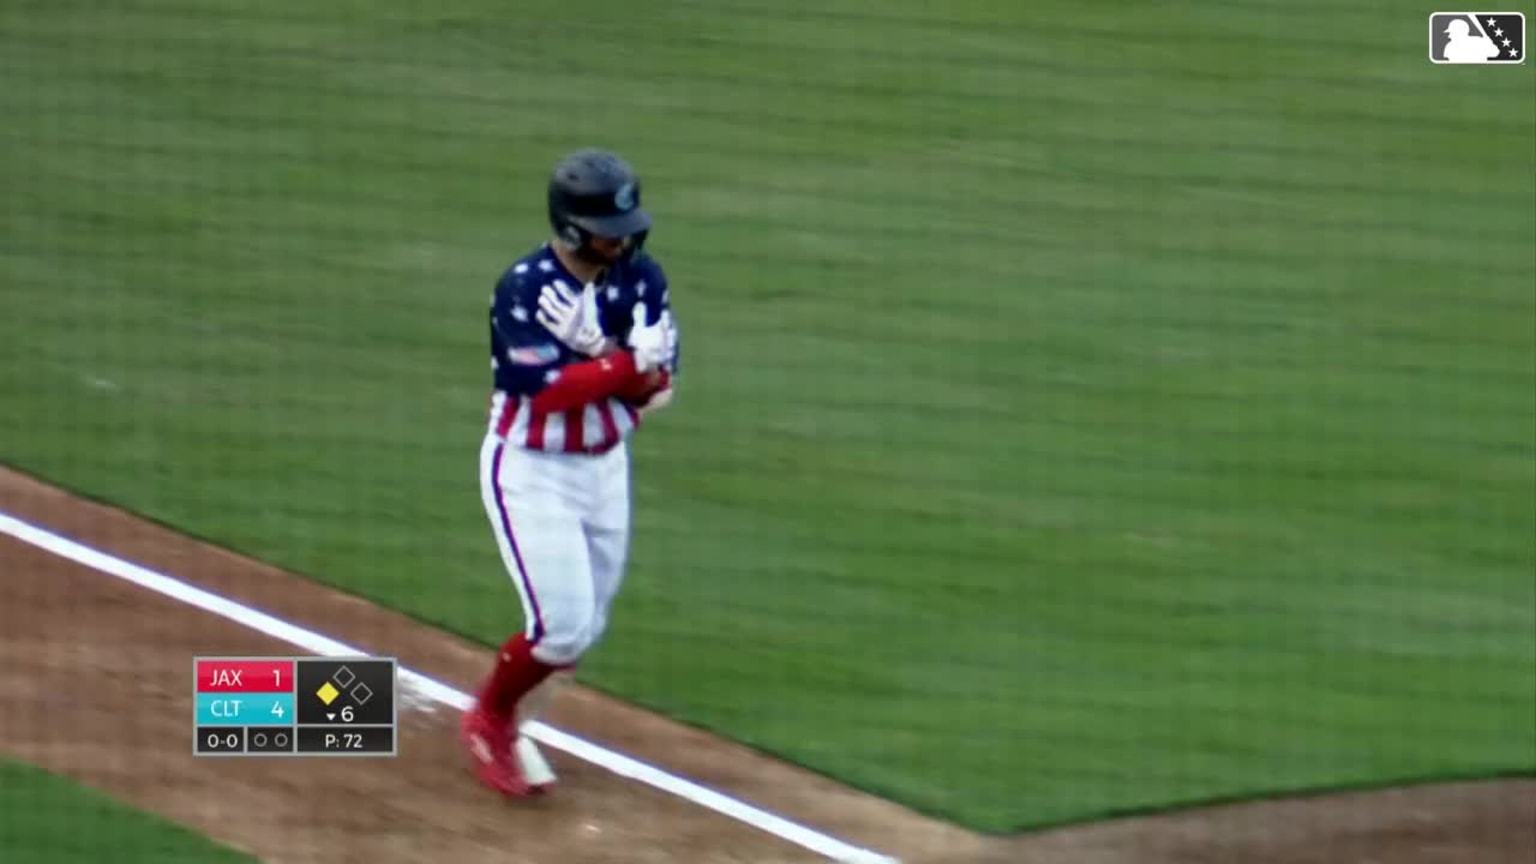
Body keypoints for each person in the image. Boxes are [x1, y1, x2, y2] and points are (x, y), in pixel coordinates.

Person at [461, 148, 680, 797]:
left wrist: (609, 361)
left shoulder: (642, 280)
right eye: (609, 230)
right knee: (559, 627)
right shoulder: (524, 288)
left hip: (606, 469)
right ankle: (489, 719)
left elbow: (658, 389)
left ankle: (516, 722)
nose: (622, 241)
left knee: (587, 629)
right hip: (532, 471)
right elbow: (547, 392)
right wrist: (620, 362)